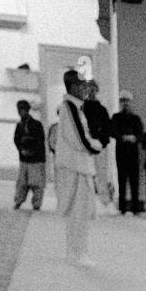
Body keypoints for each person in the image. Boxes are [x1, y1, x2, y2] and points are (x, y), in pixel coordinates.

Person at [55, 69, 102, 267]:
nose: (85, 89)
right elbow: (79, 139)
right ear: (72, 86)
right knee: (78, 212)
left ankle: (78, 251)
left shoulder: (76, 107)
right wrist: (96, 145)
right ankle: (76, 253)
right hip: (74, 167)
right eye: (82, 85)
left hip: (79, 166)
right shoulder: (69, 107)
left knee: (81, 211)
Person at [109, 90, 143, 214]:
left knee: (134, 181)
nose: (125, 103)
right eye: (123, 101)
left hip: (133, 154)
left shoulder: (136, 118)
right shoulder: (116, 117)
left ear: (131, 102)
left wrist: (134, 138)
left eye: (127, 101)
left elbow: (141, 134)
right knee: (121, 180)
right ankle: (122, 208)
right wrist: (123, 137)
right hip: (121, 153)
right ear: (120, 102)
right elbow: (112, 132)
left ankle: (135, 208)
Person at [82, 80, 112, 208]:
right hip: (85, 146)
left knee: (101, 173)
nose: (91, 91)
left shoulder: (102, 110)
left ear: (97, 90)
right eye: (89, 88)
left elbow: (107, 128)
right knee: (86, 174)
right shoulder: (81, 108)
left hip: (100, 145)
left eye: (93, 88)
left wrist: (102, 142)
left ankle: (104, 201)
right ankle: (86, 200)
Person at [12, 100, 47, 211]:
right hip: (24, 159)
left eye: (23, 110)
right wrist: (22, 150)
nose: (21, 112)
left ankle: (36, 204)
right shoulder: (19, 125)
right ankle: (18, 201)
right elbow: (16, 140)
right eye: (20, 110)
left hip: (36, 159)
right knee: (22, 182)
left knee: (36, 183)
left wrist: (31, 150)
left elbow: (40, 141)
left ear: (27, 110)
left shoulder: (37, 124)